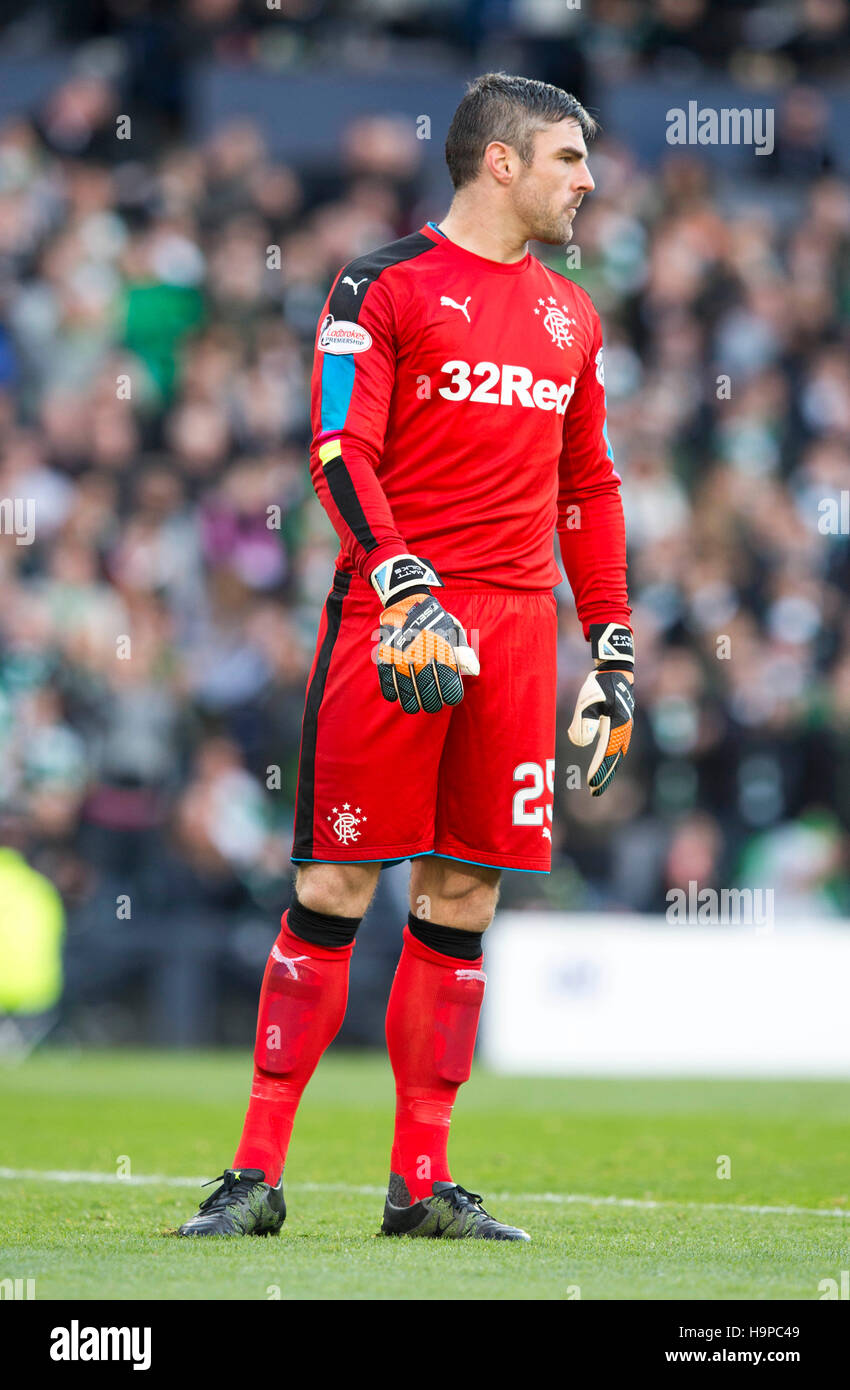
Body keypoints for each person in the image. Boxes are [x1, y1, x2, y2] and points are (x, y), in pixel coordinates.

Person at [178, 72, 634, 1242]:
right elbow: (338, 450)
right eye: (568, 159)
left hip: (521, 630)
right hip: (396, 616)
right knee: (333, 885)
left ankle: (419, 1184)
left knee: (463, 895)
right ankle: (253, 1174)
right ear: (500, 162)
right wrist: (400, 582)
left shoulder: (570, 317)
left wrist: (614, 649)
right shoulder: (382, 281)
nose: (586, 181)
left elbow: (588, 488)